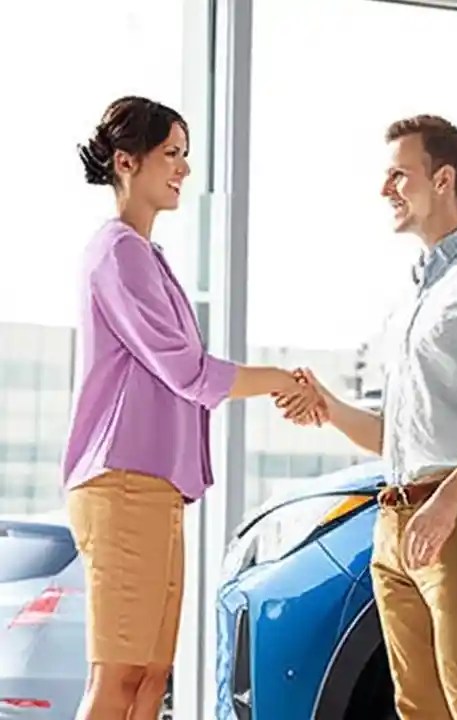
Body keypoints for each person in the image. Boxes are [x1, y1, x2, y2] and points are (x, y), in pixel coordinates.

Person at [63, 96, 324, 720]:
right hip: (122, 483)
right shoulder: (119, 251)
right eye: (171, 155)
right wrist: (281, 380)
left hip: (151, 487)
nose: (183, 168)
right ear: (127, 162)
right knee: (120, 675)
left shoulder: (145, 256)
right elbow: (188, 371)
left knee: (152, 679)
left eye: (186, 155)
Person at [286, 114, 457, 719]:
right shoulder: (408, 301)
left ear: (444, 179)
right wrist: (326, 406)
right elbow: (394, 435)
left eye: (399, 175)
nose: (386, 190)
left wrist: (449, 500)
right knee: (417, 709)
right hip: (395, 522)